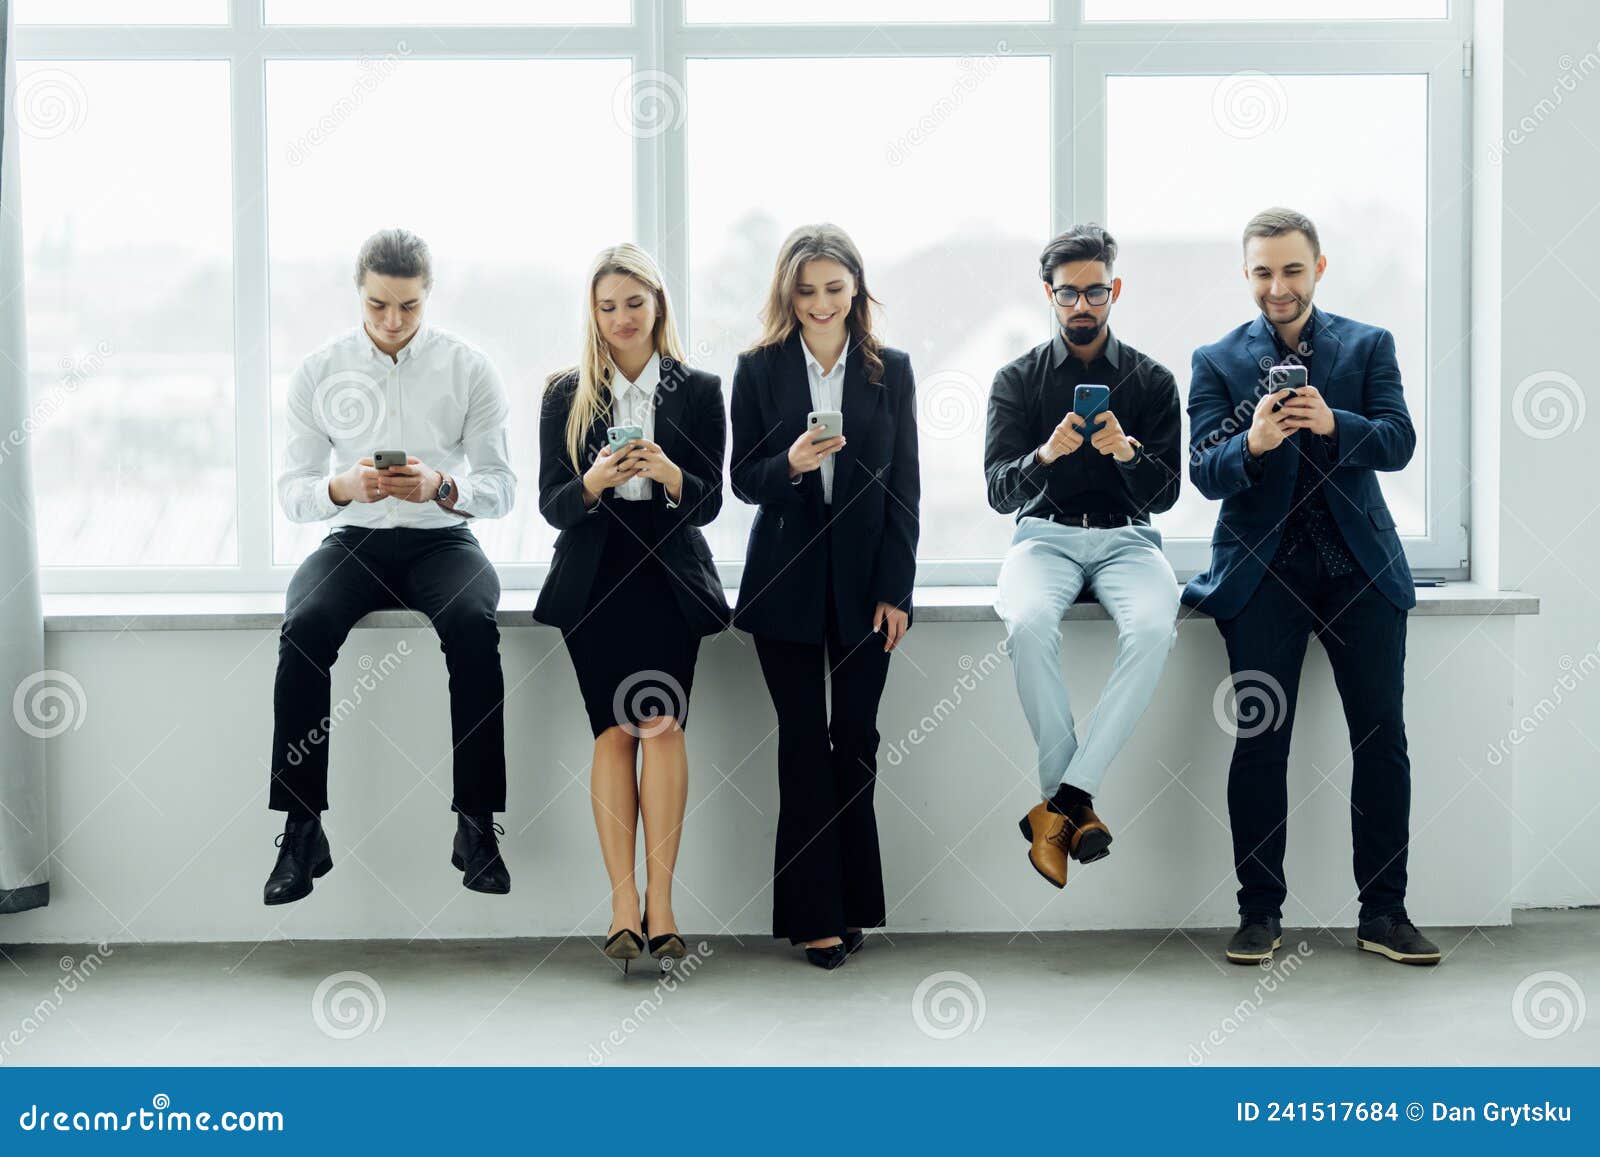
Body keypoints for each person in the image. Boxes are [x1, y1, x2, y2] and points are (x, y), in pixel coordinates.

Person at [1185, 207, 1439, 967]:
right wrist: (1251, 442)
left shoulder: (1368, 345)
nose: (1278, 286)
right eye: (1263, 271)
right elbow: (1200, 468)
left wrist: (1334, 422)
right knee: (1260, 740)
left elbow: (1398, 441)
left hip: (1359, 572)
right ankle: (1259, 911)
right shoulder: (1216, 358)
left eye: (1292, 269)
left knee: (1382, 741)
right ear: (1247, 276)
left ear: (1318, 268)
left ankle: (1384, 913)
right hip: (1264, 576)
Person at [266, 228, 517, 905]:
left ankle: (477, 824)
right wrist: (342, 487)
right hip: (353, 540)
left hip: (444, 541)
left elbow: (501, 485)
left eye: (408, 306)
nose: (392, 321)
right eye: (378, 304)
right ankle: (301, 827)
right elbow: (291, 491)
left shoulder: (470, 368)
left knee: (472, 623)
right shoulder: (319, 371)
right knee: (305, 625)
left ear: (427, 295)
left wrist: (442, 485)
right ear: (360, 291)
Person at [729, 223, 920, 970]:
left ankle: (852, 904)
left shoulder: (889, 369)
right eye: (805, 290)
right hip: (784, 585)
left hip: (867, 589)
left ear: (855, 291)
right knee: (804, 746)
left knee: (858, 743)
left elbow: (905, 488)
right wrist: (792, 464)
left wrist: (896, 591)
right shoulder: (758, 368)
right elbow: (743, 478)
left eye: (833, 288)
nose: (819, 303)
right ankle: (816, 918)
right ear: (787, 293)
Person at [534, 244, 729, 972]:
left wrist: (668, 471)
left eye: (634, 303)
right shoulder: (565, 392)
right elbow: (554, 506)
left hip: (668, 574)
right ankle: (623, 906)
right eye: (607, 306)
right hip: (597, 577)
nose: (621, 318)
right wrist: (594, 480)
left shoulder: (699, 387)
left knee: (663, 724)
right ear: (593, 311)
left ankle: (664, 905)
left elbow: (711, 502)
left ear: (658, 305)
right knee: (615, 731)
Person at [985, 224, 1182, 891]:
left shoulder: (1153, 381)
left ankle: (1061, 804)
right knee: (1028, 623)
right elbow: (997, 490)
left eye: (1094, 291)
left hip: (1130, 537)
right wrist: (1046, 456)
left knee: (1156, 627)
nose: (1081, 305)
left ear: (1114, 290)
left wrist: (1126, 451)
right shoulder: (1016, 380)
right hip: (1043, 535)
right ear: (1048, 293)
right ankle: (1078, 803)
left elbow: (1169, 492)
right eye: (1067, 292)